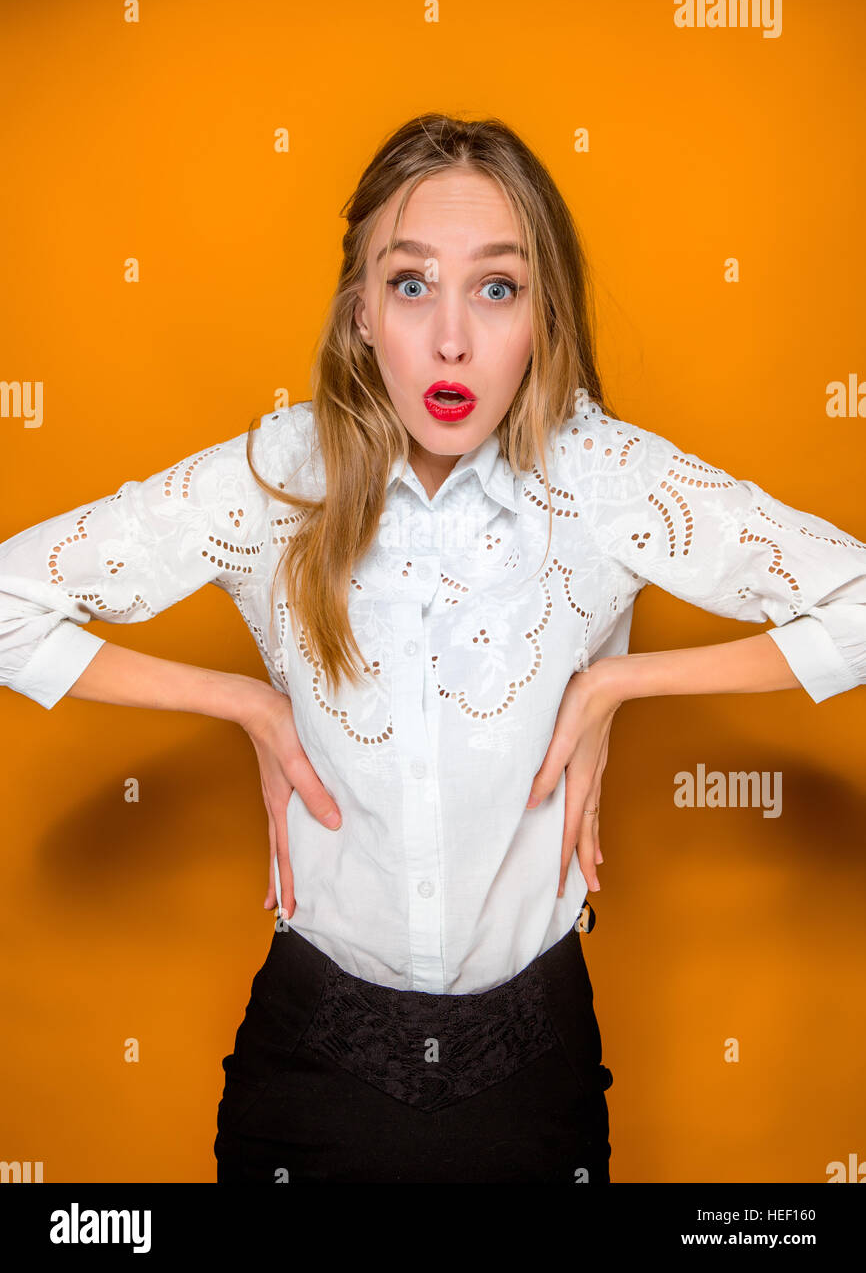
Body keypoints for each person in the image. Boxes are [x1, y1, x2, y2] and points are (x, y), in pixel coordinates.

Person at [1, 113, 865, 1185]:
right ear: (359, 311)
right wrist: (248, 703)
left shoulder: (603, 480)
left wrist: (621, 680)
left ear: (541, 314)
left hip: (534, 1077)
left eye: (495, 288)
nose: (450, 339)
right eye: (410, 285)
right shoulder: (278, 476)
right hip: (308, 1076)